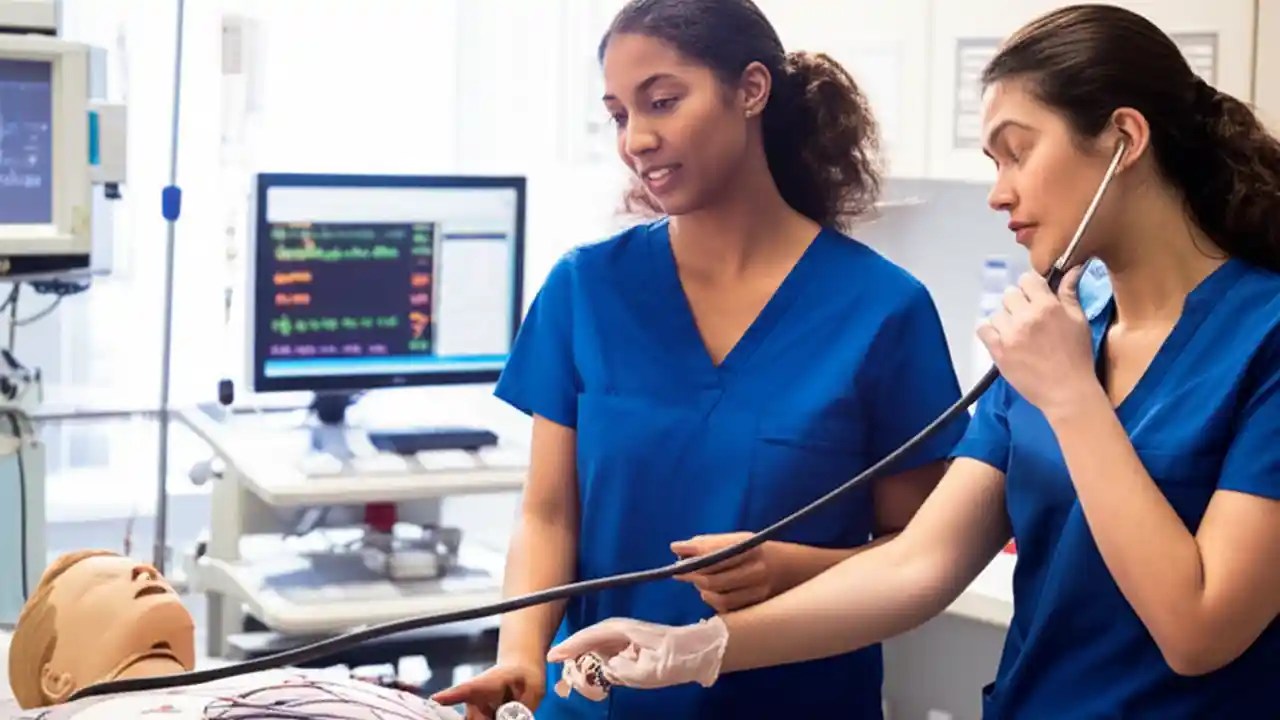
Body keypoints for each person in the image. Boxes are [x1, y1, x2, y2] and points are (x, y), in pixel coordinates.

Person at [544, 4, 1280, 719]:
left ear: (1123, 137)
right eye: (993, 162)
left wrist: (1071, 397)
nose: (1000, 192)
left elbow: (1200, 631)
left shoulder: (1255, 338)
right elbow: (920, 564)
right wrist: (693, 648)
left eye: (1018, 151)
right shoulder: (1056, 330)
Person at [431, 0, 969, 718]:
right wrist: (520, 657)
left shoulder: (883, 310)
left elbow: (918, 554)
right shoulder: (585, 289)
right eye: (620, 115)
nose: (637, 139)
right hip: (594, 704)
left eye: (662, 102)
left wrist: (788, 569)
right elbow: (550, 514)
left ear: (750, 90)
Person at [4, 550, 479, 719]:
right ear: (57, 679)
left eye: (149, 570)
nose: (147, 571)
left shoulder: (273, 682)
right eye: (103, 583)